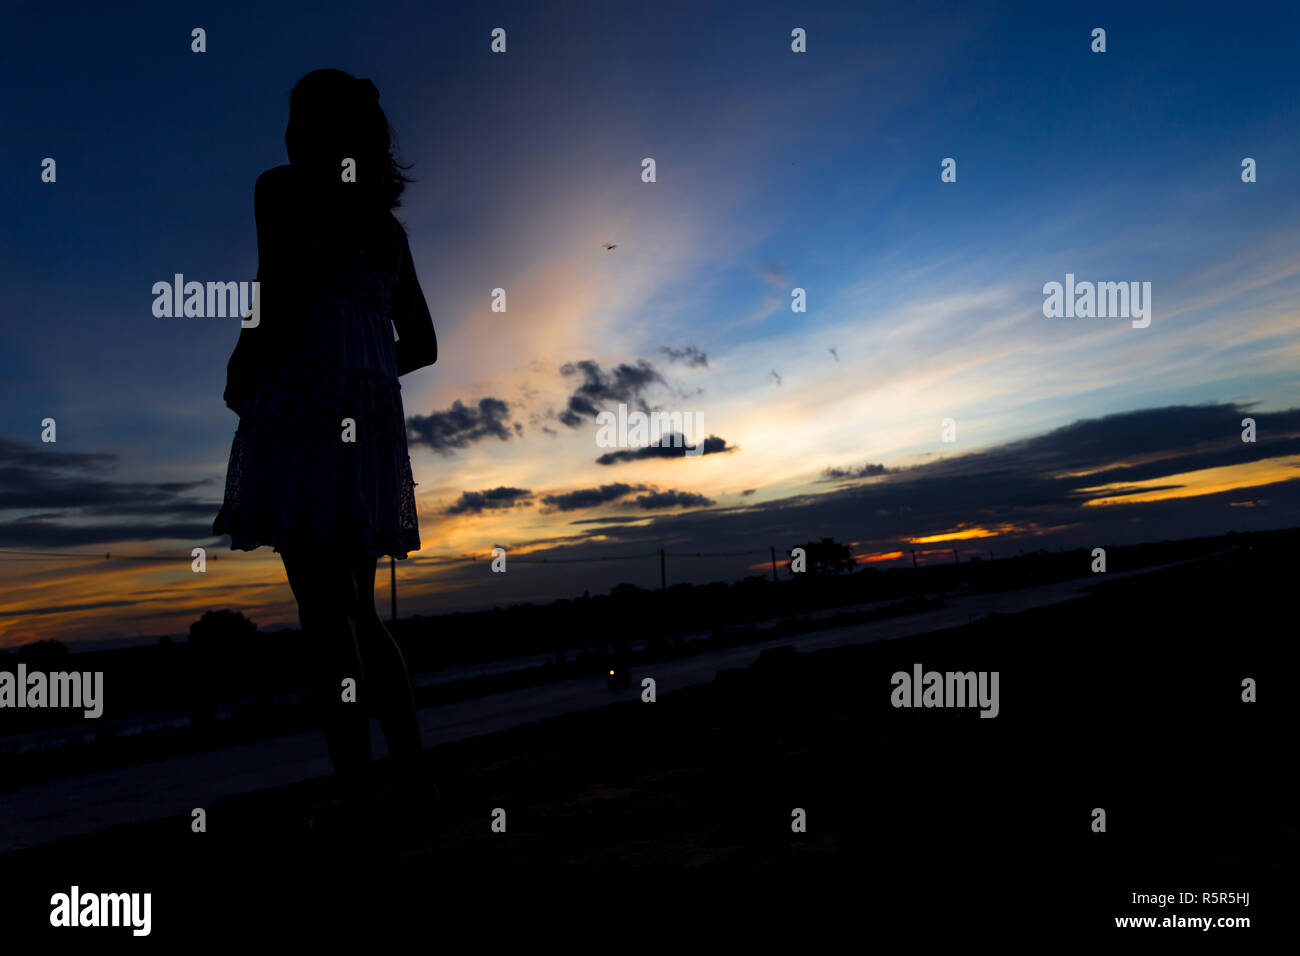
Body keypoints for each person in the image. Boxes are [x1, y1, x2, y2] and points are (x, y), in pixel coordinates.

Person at [213, 69, 439, 830]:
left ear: (309, 131)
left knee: (322, 613)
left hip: (304, 407)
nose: (284, 132)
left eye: (293, 117)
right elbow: (425, 345)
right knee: (360, 612)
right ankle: (409, 783)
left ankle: (359, 800)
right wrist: (364, 376)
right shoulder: (388, 229)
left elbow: (273, 290)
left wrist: (247, 369)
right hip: (368, 417)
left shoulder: (280, 188)